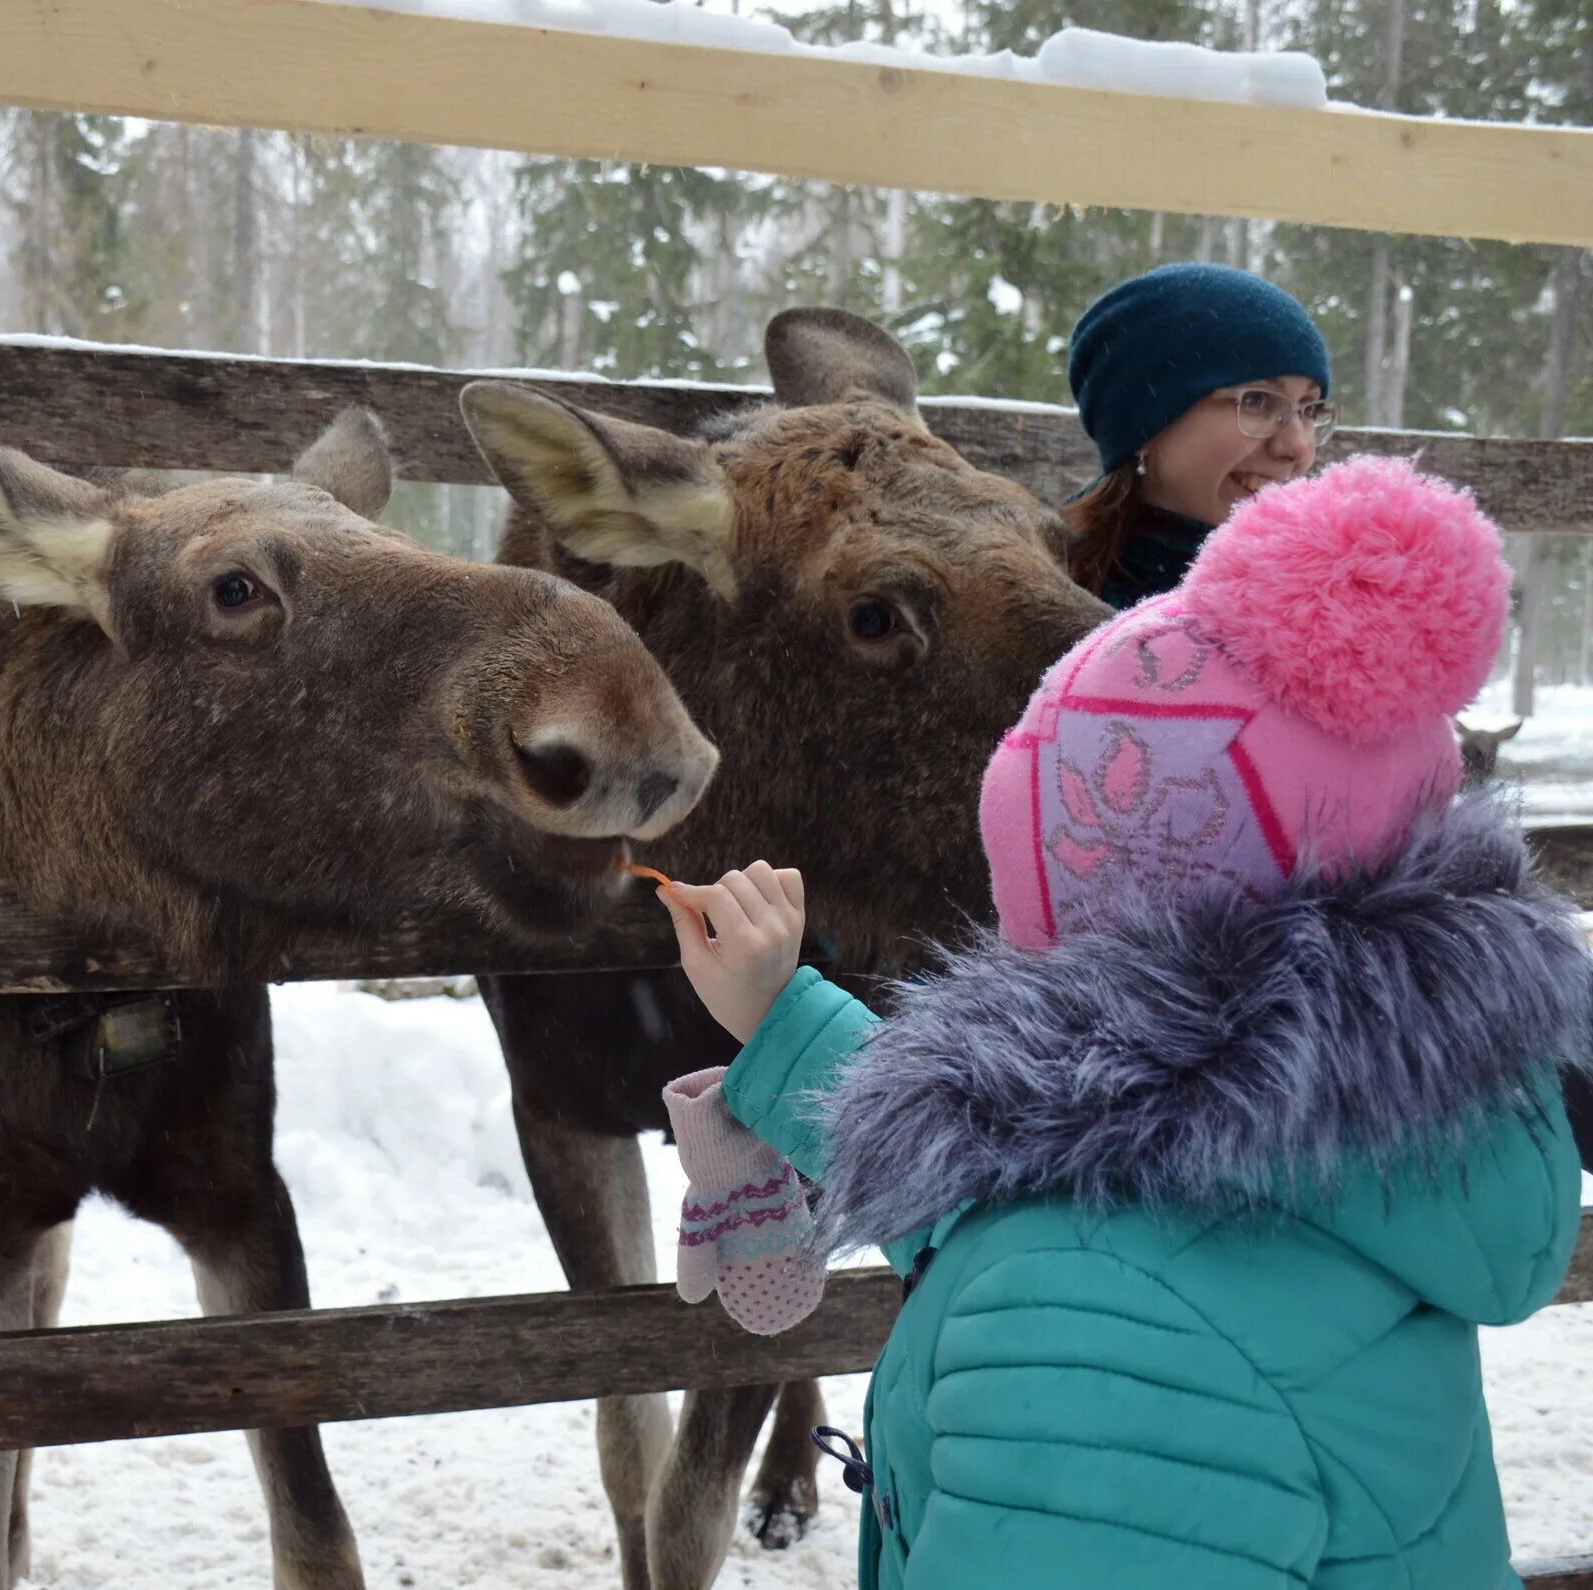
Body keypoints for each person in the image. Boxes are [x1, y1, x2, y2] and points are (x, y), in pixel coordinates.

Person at [657, 455, 1587, 1587]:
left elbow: (1060, 1246)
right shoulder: (1377, 1153)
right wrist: (788, 1023)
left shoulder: (1081, 1323)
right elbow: (1020, 1185)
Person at [1064, 262, 1336, 607]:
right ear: (1147, 425)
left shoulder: (1334, 603)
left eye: (1309, 409)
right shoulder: (1039, 602)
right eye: (1256, 400)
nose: (1298, 446)